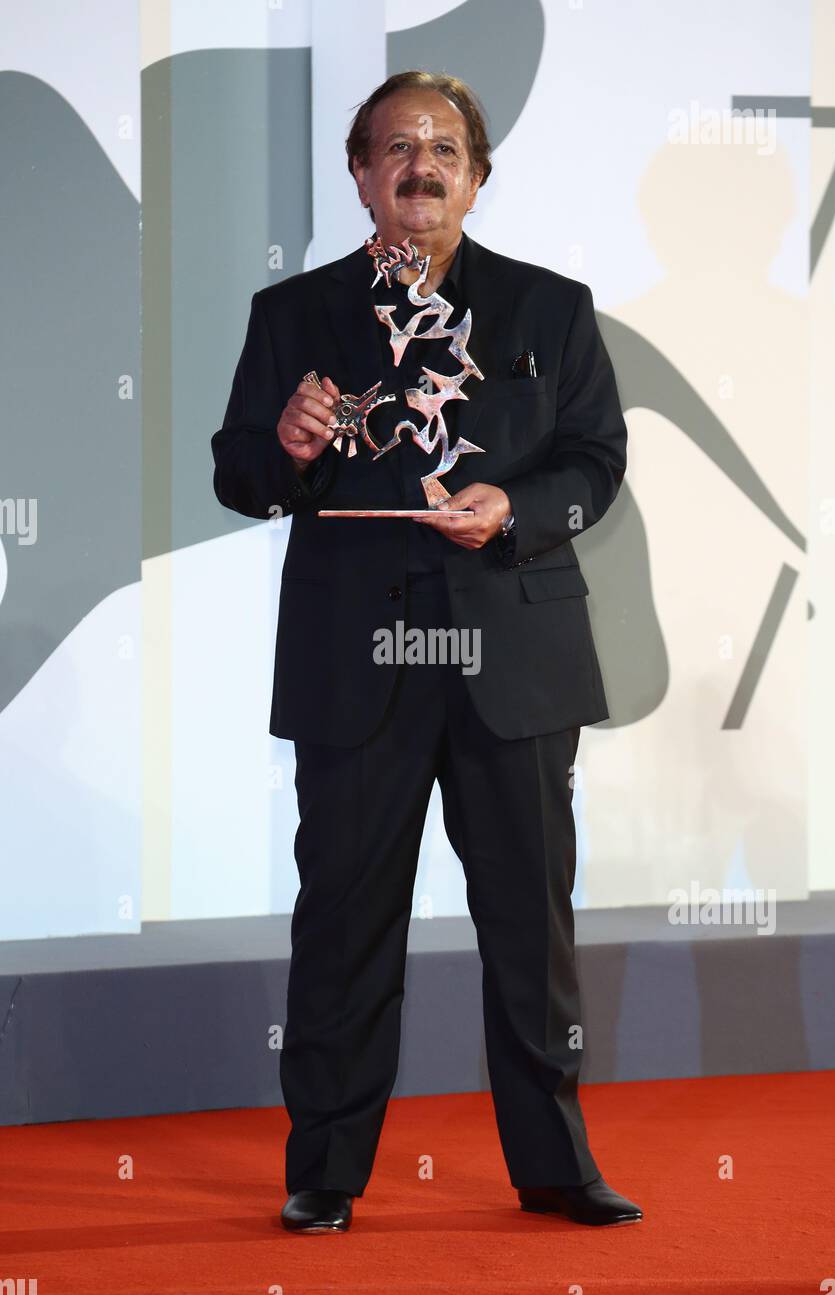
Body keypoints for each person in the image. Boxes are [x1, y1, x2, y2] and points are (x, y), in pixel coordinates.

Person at [211, 70, 641, 1233]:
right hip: (359, 664)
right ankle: (327, 1172)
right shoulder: (292, 315)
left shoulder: (551, 308)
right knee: (345, 924)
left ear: (477, 174)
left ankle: (554, 1165)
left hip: (513, 657)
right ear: (359, 173)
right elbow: (240, 474)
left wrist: (512, 505)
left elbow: (595, 462)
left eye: (443, 147)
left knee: (530, 926)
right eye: (395, 147)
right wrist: (291, 449)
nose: (420, 165)